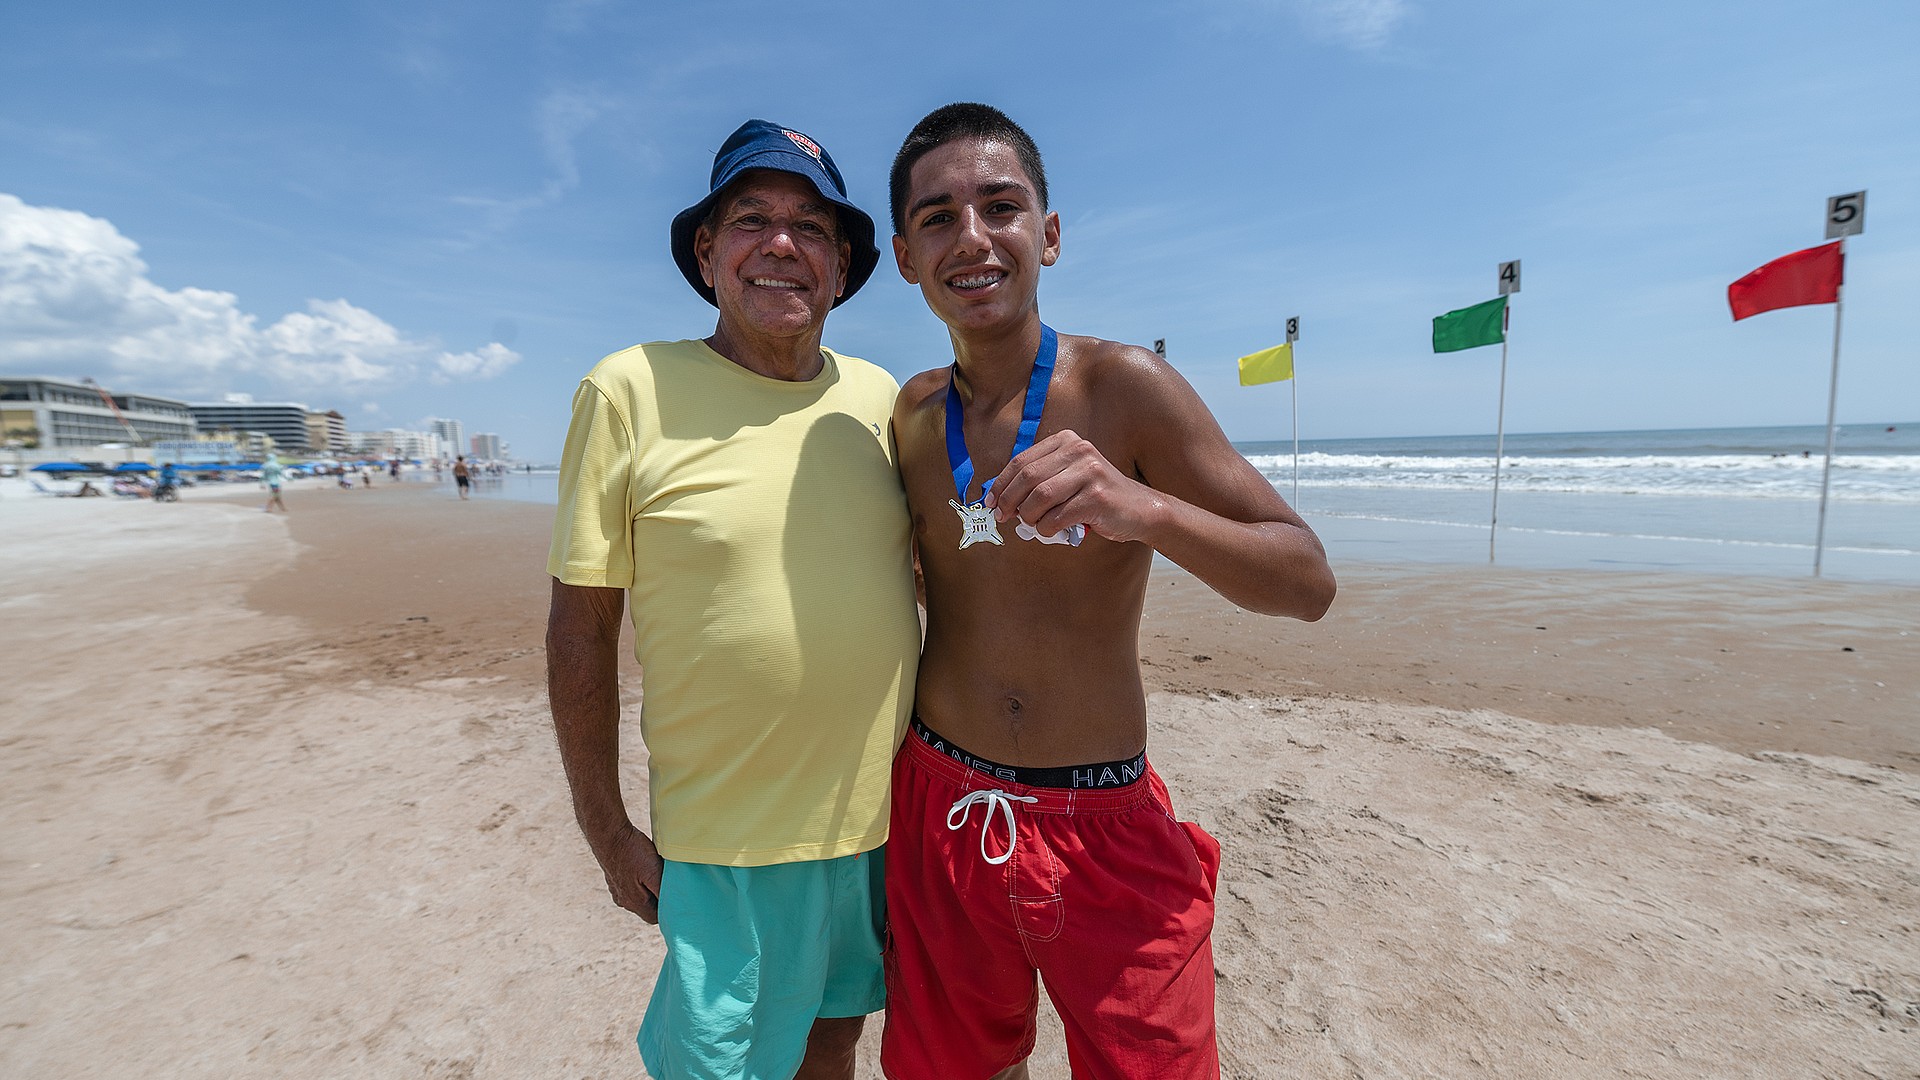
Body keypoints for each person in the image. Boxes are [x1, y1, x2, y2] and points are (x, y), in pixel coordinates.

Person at [879, 103, 1337, 1080]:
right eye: (937, 217)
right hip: (942, 804)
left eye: (1001, 206)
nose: (972, 237)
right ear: (906, 258)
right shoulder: (911, 416)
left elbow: (1307, 579)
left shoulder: (1126, 385)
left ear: (1047, 234)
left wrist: (1147, 510)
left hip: (1102, 822)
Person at [545, 119, 919, 1080]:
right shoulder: (629, 387)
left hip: (878, 822)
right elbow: (581, 627)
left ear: (842, 265)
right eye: (751, 219)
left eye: (812, 226)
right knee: (721, 1063)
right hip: (725, 838)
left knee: (836, 1037)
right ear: (708, 253)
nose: (782, 243)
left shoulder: (882, 401)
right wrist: (606, 829)